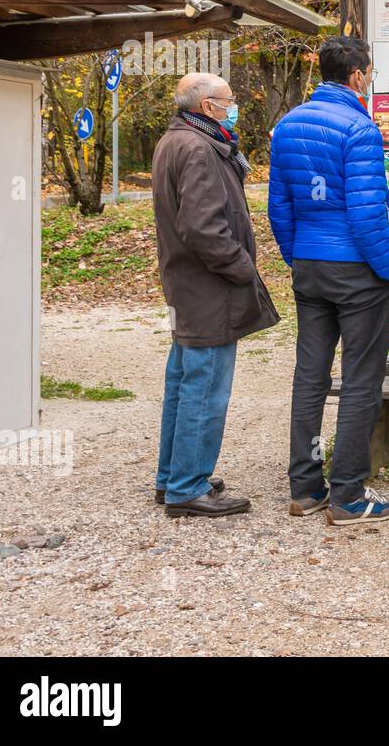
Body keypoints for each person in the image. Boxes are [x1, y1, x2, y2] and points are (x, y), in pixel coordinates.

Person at [269, 37, 389, 526]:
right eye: (368, 73)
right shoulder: (359, 129)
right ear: (357, 77)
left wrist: (298, 257)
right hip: (357, 271)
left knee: (310, 377)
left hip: (310, 265)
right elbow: (368, 216)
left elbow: (279, 208)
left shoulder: (286, 126)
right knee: (360, 381)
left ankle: (306, 488)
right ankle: (349, 494)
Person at [152, 71, 279, 517]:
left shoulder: (178, 139)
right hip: (208, 287)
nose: (234, 105)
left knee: (183, 382)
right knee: (205, 386)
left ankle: (173, 476)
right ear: (207, 107)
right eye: (229, 99)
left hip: (187, 284)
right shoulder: (199, 148)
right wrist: (242, 267)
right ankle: (188, 486)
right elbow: (203, 228)